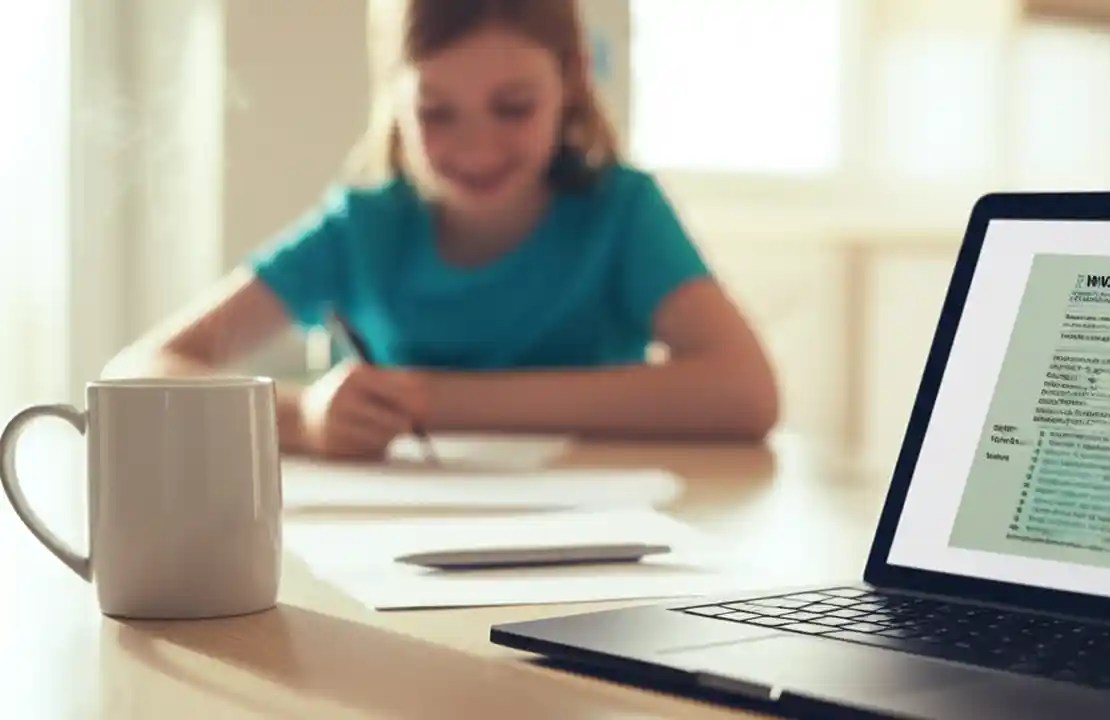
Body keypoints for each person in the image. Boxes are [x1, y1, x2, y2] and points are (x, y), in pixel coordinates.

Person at [105, 0, 779, 458]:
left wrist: (434, 400)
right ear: (394, 98)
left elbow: (747, 393)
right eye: (436, 113)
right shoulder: (362, 228)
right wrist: (303, 420)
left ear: (571, 80)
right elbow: (138, 374)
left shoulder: (620, 213)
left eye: (512, 108)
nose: (477, 150)